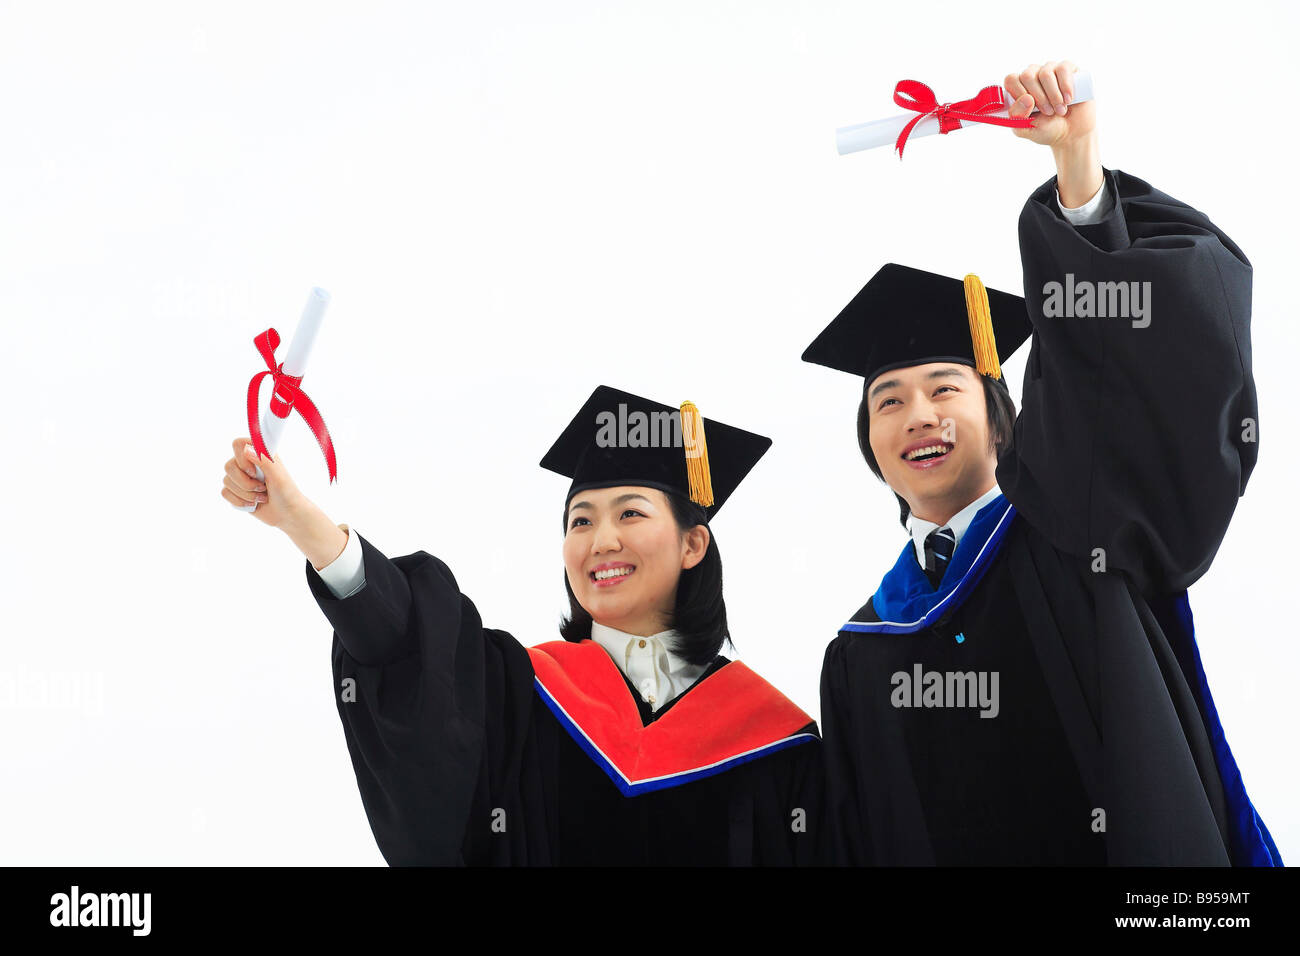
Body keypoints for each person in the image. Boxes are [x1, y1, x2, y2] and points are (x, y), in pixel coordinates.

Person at [802, 60, 1281, 865]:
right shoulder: (860, 653)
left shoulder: (1078, 530)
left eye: (943, 388)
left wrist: (1077, 171)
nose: (917, 415)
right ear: (874, 449)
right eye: (888, 402)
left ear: (999, 420)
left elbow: (1120, 384)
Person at [220, 385, 822, 865]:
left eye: (630, 513)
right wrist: (305, 525)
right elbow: (406, 641)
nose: (600, 541)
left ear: (693, 544)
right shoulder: (521, 691)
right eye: (580, 521)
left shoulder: (777, 741)